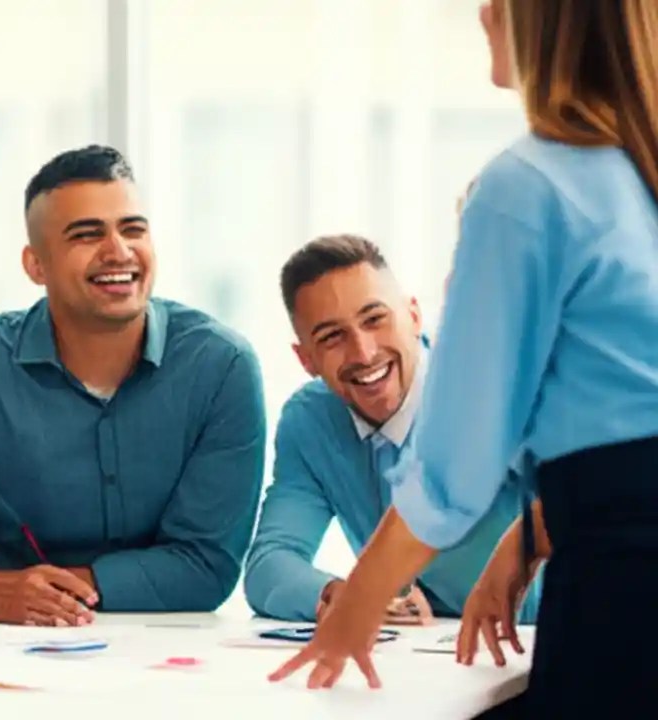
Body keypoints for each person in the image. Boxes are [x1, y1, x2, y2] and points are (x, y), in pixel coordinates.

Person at [268, 1, 658, 715]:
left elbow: (456, 465)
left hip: (622, 592)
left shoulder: (528, 184)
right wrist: (528, 537)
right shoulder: (636, 169)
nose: (482, 12)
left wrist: (359, 605)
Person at [0, 145, 267, 624]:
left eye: (133, 229)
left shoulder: (221, 367)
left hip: (167, 648)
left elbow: (206, 566)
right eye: (87, 234)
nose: (118, 251)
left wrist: (32, 590)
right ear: (36, 265)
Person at [243, 234, 539, 624]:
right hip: (424, 651)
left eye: (375, 319)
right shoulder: (311, 421)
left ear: (414, 316)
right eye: (332, 337)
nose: (364, 353)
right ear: (306, 359)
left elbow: (586, 506)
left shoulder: (493, 386)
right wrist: (342, 596)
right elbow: (270, 563)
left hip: (546, 637)